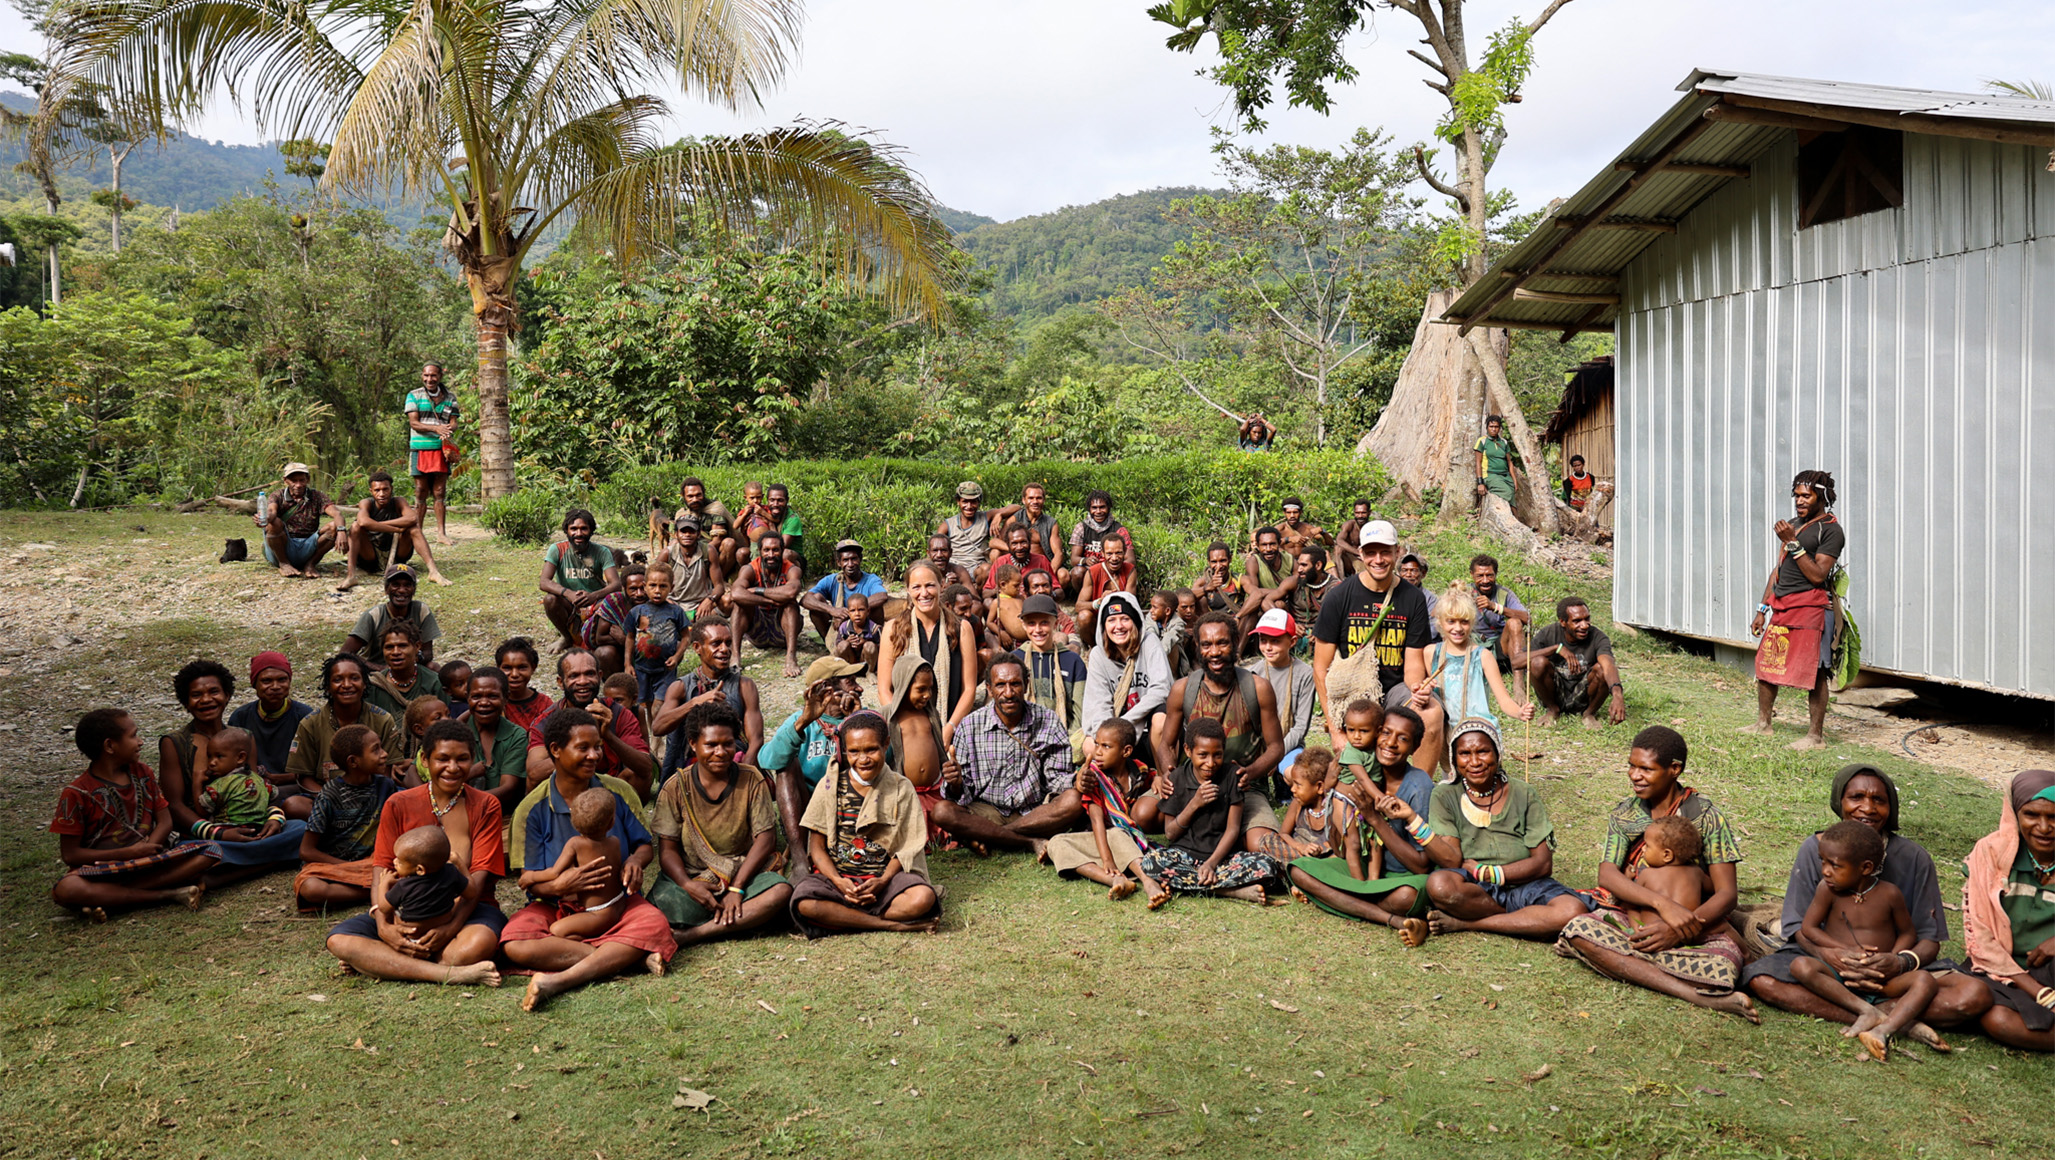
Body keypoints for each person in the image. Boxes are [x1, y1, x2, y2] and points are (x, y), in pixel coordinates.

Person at [1743, 764, 1991, 1034]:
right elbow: (1798, 926)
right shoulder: (1816, 849)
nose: (1868, 808)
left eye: (1879, 800)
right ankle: (1893, 1018)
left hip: (1891, 974)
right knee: (1763, 981)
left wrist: (1898, 962)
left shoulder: (1915, 858)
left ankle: (1881, 1012)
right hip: (1828, 969)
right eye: (1856, 797)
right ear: (1840, 802)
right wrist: (1832, 955)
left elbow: (1927, 939)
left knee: (1973, 996)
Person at [1554, 726, 1757, 1023]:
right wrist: (1663, 906)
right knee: (1580, 932)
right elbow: (1608, 875)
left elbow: (1726, 893)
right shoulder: (1625, 813)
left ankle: (1642, 966)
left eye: (1646, 769)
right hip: (1640, 916)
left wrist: (1679, 929)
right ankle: (1692, 993)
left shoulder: (1706, 817)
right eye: (1631, 766)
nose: (1635, 776)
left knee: (1723, 966)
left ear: (1674, 769)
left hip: (1696, 921)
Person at [506, 707, 674, 1010]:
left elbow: (644, 846)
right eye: (583, 748)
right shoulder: (532, 809)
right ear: (555, 750)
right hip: (555, 907)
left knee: (655, 925)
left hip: (615, 903)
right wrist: (559, 886)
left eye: (597, 746)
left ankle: (560, 979)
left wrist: (635, 862)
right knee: (515, 943)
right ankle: (626, 956)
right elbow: (530, 882)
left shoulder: (617, 792)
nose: (595, 755)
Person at [322, 718, 506, 987]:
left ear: (473, 759)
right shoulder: (399, 803)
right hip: (405, 914)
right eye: (442, 759)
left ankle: (384, 963)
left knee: (477, 944)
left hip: (468, 911)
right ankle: (446, 973)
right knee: (338, 940)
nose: (452, 768)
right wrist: (384, 926)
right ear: (424, 759)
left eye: (462, 759)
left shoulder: (486, 805)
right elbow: (381, 870)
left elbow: (477, 880)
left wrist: (449, 929)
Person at [1403, 718, 1590, 940]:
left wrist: (1488, 872)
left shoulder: (1523, 793)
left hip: (1527, 883)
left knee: (1572, 911)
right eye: (1464, 754)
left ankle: (1468, 923)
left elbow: (1543, 864)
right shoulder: (1445, 795)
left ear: (1497, 753)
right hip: (1476, 888)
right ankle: (1529, 919)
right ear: (1454, 759)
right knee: (1440, 886)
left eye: (1483, 751)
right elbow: (1452, 860)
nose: (1474, 762)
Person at [646, 701, 793, 944]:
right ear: (693, 744)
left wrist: (736, 889)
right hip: (694, 878)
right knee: (659, 909)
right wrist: (687, 884)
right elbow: (668, 849)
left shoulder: (751, 779)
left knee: (780, 892)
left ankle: (694, 935)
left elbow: (765, 840)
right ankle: (741, 920)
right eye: (711, 745)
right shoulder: (675, 786)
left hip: (743, 873)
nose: (720, 752)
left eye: (727, 744)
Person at [1786, 820, 1935, 1058]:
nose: (1825, 870)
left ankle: (1884, 1030)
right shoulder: (1827, 890)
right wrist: (1843, 951)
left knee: (1925, 981)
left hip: (1881, 979)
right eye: (1822, 861)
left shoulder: (1889, 894)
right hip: (1841, 973)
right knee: (1800, 966)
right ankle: (1866, 1011)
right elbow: (1809, 928)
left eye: (1835, 865)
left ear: (1865, 868)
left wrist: (1893, 960)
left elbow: (1908, 932)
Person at [1291, 701, 1435, 945]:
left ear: (1414, 747)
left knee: (1407, 897)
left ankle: (1350, 901)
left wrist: (1374, 818)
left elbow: (1421, 865)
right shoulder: (1355, 770)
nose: (1390, 743)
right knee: (1298, 870)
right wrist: (1331, 785)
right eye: (1386, 733)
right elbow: (1341, 847)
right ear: (1378, 732)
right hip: (1365, 872)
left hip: (1401, 878)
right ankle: (1387, 916)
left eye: (1402, 739)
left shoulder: (1418, 786)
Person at [50, 708, 215, 920]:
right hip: (104, 871)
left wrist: (148, 850)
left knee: (210, 850)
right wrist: (128, 853)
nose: (140, 742)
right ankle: (166, 895)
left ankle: (108, 899)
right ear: (110, 746)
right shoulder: (75, 794)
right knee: (67, 888)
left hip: (148, 862)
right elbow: (71, 855)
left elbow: (165, 820)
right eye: (133, 735)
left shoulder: (142, 772)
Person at [790, 711, 943, 937]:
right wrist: (838, 881)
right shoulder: (830, 785)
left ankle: (846, 918)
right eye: (854, 751)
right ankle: (890, 924)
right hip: (840, 881)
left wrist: (882, 881)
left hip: (884, 883)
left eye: (871, 749)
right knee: (805, 903)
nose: (863, 759)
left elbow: (906, 848)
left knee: (923, 897)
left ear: (886, 744)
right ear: (844, 751)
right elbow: (817, 847)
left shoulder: (901, 788)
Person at [1311, 520, 1439, 768]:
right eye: (1371, 552)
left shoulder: (1413, 598)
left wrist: (1417, 688)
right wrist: (1336, 733)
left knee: (1431, 713)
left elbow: (1413, 664)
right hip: (1353, 693)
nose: (1378, 560)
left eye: (1385, 552)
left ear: (1397, 552)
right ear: (1360, 553)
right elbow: (1320, 668)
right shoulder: (1339, 596)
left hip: (1394, 690)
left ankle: (1418, 796)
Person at [1157, 613, 1286, 861]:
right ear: (1198, 647)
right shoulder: (1183, 689)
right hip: (1193, 784)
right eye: (1207, 644)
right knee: (1143, 813)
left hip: (1243, 789)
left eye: (1222, 643)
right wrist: (1168, 775)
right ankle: (1216, 831)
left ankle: (1228, 833)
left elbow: (1276, 747)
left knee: (1262, 844)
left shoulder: (1257, 688)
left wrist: (1250, 772)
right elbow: (1166, 744)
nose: (1214, 652)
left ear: (1235, 642)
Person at [929, 657, 1081, 855]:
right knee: (942, 812)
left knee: (1073, 800)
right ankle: (1028, 842)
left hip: (1035, 813)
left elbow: (1057, 779)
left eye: (1015, 684)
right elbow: (961, 795)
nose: (1008, 693)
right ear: (989, 689)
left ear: (1026, 684)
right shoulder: (969, 726)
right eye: (1000, 685)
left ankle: (993, 837)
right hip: (987, 813)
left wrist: (1076, 781)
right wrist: (955, 782)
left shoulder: (1048, 721)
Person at [1745, 469, 1845, 750]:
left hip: (1812, 609)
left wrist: (1792, 541)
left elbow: (1817, 576)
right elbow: (1778, 571)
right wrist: (1762, 608)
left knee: (1816, 672)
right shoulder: (1793, 524)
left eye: (1806, 496)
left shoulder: (1831, 530)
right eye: (1796, 495)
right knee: (1766, 665)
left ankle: (1815, 736)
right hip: (1782, 607)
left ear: (1821, 497)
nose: (1799, 501)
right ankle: (1763, 724)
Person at [1136, 718, 1282, 903]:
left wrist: (1211, 864)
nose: (1211, 763)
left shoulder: (1232, 776)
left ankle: (1192, 884)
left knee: (1266, 865)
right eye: (1203, 755)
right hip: (1184, 856)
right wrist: (1195, 803)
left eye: (1218, 755)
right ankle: (1230, 891)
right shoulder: (1176, 778)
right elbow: (1170, 833)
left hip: (1222, 858)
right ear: (1188, 751)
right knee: (1151, 862)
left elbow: (1233, 829)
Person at [1964, 770, 2055, 1052]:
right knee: (1998, 1020)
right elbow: (1980, 939)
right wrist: (2040, 993)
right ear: (2015, 813)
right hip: (2000, 971)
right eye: (2031, 815)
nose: (2043, 827)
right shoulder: (1991, 852)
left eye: (2054, 817)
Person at [1043, 718, 1163, 903]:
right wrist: (1108, 861)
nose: (1097, 752)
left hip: (1124, 841)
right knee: (1056, 842)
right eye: (1097, 744)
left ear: (1126, 751)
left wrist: (1156, 779)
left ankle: (1148, 881)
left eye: (1106, 746)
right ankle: (1113, 879)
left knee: (1117, 833)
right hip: (1098, 840)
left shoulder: (1138, 770)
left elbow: (1152, 774)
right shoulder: (1093, 777)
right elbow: (1097, 821)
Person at [760, 656, 866, 857]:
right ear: (827, 690)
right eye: (851, 682)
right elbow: (768, 760)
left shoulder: (862, 715)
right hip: (807, 810)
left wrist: (856, 720)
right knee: (786, 765)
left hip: (850, 806)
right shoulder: (802, 721)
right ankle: (800, 856)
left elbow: (884, 759)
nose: (859, 688)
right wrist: (803, 722)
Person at [523, 647, 656, 799]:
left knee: (635, 773)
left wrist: (607, 736)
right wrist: (577, 746)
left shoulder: (618, 713)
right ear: (561, 682)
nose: (583, 681)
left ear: (600, 676)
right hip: (566, 794)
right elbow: (534, 775)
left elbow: (646, 769)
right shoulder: (546, 721)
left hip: (611, 791)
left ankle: (620, 818)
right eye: (574, 676)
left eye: (589, 674)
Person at [292, 723, 400, 910]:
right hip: (336, 867)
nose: (384, 754)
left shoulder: (386, 787)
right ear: (353, 762)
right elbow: (306, 851)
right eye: (376, 750)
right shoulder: (330, 795)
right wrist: (348, 867)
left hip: (372, 862)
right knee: (311, 889)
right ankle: (376, 890)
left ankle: (380, 886)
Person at [877, 562, 980, 745]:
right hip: (905, 730)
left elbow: (969, 689)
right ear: (908, 590)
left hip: (951, 728)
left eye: (930, 585)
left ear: (941, 586)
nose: (924, 593)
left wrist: (949, 729)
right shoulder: (893, 629)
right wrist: (905, 726)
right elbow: (884, 689)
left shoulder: (961, 628)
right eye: (916, 587)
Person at [653, 617, 763, 780]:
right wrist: (694, 703)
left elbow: (756, 740)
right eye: (716, 643)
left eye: (728, 642)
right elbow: (658, 727)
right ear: (697, 647)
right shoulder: (680, 687)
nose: (724, 649)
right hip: (692, 768)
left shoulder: (744, 685)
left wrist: (743, 775)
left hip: (734, 763)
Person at [285, 653, 405, 796]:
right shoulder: (310, 723)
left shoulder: (382, 720)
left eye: (354, 678)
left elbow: (386, 772)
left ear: (365, 683)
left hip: (371, 797)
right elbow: (304, 778)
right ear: (328, 687)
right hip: (327, 799)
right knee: (294, 805)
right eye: (338, 679)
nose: (347, 685)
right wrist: (333, 801)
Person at [1423, 584, 1533, 730]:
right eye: (1451, 621)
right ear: (1441, 623)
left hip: (1476, 730)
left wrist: (1520, 712)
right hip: (1441, 730)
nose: (1458, 628)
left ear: (1472, 622)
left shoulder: (1483, 656)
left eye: (1464, 622)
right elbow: (1423, 692)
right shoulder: (1431, 653)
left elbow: (1504, 700)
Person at [530, 788, 631, 940]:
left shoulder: (575, 844)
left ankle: (594, 944)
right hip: (619, 903)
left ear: (574, 824)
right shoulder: (615, 842)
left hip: (599, 913)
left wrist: (530, 877)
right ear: (611, 823)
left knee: (556, 930)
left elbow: (554, 873)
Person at [1080, 592, 1171, 754]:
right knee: (1089, 745)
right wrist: (1109, 734)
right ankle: (1115, 778)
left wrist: (1124, 723)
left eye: (1125, 619)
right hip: (1115, 731)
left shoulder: (1149, 643)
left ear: (1135, 622)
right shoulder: (1098, 655)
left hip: (1146, 728)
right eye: (1111, 620)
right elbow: (1098, 704)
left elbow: (1161, 689)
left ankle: (1163, 775)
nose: (1119, 626)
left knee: (1161, 720)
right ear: (1104, 626)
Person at [226, 651, 314, 814]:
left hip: (295, 786)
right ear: (254, 684)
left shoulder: (305, 717)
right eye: (266, 681)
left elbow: (314, 768)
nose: (275, 687)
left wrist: (276, 779)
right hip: (251, 786)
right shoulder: (241, 717)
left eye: (282, 680)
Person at [883, 654, 957, 843]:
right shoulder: (888, 716)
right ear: (903, 686)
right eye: (921, 689)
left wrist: (948, 769)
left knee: (951, 819)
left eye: (930, 688)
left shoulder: (930, 714)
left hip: (934, 790)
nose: (927, 695)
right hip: (904, 793)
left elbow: (940, 750)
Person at [1521, 598, 1626, 728]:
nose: (1585, 625)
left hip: (1584, 695)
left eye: (1587, 619)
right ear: (1563, 622)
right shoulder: (1549, 633)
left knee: (1601, 669)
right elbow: (1517, 661)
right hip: (1555, 692)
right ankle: (1552, 710)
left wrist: (1617, 694)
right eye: (1577, 621)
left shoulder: (1598, 637)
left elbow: (1608, 665)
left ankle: (1589, 714)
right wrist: (1556, 649)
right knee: (1537, 662)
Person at [339, 470, 449, 590]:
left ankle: (433, 571)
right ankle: (351, 576)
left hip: (397, 553)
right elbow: (363, 522)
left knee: (414, 529)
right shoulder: (366, 503)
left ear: (391, 488)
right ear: (371, 491)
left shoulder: (398, 502)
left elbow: (412, 518)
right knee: (355, 527)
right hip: (371, 556)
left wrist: (376, 524)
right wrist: (396, 529)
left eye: (385, 489)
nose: (381, 494)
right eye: (377, 490)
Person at [539, 509, 624, 654]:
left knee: (611, 601)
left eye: (583, 528)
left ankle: (593, 638)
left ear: (591, 530)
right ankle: (566, 637)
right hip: (569, 602)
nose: (578, 533)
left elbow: (616, 584)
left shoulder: (602, 552)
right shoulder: (557, 550)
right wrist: (568, 593)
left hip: (594, 603)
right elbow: (544, 582)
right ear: (566, 530)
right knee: (550, 599)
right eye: (573, 529)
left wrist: (594, 596)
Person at [729, 530, 805, 679]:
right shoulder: (749, 569)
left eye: (775, 550)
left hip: (782, 632)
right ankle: (735, 656)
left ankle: (790, 658)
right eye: (767, 550)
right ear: (759, 551)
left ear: (782, 551)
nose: (771, 555)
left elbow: (791, 592)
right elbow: (736, 593)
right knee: (739, 605)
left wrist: (757, 590)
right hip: (758, 631)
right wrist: (770, 600)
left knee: (790, 604)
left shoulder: (792, 569)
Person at [1242, 609, 1315, 765]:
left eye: (1275, 641)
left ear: (1293, 641)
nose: (1268, 647)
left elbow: (1301, 726)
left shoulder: (1305, 674)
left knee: (1297, 772)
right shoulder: (1252, 673)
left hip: (1288, 744)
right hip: (1255, 745)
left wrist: (1274, 755)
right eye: (1263, 640)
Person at [376, 825, 483, 929]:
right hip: (443, 925)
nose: (394, 861)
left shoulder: (403, 886)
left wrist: (383, 883)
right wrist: (460, 863)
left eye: (399, 861)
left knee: (384, 909)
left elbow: (384, 908)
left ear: (420, 870)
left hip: (411, 932)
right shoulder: (451, 872)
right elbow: (471, 893)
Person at [1012, 594, 1088, 738]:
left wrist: (1068, 741)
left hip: (1062, 736)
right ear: (1023, 625)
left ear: (1056, 623)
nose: (1038, 629)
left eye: (1044, 623)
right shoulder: (1014, 660)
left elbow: (1079, 711)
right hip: (1022, 737)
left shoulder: (1072, 661)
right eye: (1031, 623)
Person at [403, 361, 459, 546]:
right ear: (422, 376)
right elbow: (415, 423)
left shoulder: (450, 398)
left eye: (433, 375)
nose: (429, 379)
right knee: (420, 490)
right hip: (419, 448)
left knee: (439, 491)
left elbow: (454, 423)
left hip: (442, 450)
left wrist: (448, 429)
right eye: (426, 375)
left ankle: (441, 533)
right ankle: (416, 531)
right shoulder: (414, 395)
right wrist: (437, 429)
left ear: (440, 376)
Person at [344, 565, 443, 669]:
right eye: (395, 585)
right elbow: (346, 652)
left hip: (410, 669)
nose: (401, 590)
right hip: (377, 671)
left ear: (414, 590)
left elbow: (428, 652)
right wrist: (381, 669)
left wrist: (413, 659)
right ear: (386, 589)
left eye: (407, 585)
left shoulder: (421, 611)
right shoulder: (374, 615)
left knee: (433, 667)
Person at [460, 667, 532, 808]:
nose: (484, 703)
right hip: (456, 813)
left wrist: (468, 803)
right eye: (476, 697)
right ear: (467, 698)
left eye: (492, 696)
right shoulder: (456, 732)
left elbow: (508, 788)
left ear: (506, 698)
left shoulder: (516, 736)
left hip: (500, 814)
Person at [259, 461, 343, 579]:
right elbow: (272, 511)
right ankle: (284, 563)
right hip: (282, 547)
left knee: (334, 526)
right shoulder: (277, 495)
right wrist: (265, 518)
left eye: (301, 480)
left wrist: (342, 531)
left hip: (308, 546)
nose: (298, 485)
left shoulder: (317, 496)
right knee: (273, 524)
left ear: (307, 479)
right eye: (294, 481)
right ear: (286, 480)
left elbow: (336, 513)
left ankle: (310, 564)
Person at [628, 562, 690, 711]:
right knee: (644, 705)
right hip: (641, 668)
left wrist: (676, 657)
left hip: (665, 670)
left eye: (663, 586)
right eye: (652, 585)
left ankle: (657, 734)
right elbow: (629, 637)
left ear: (671, 588)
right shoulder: (636, 611)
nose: (657, 591)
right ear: (644, 586)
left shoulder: (676, 612)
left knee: (659, 705)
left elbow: (687, 637)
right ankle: (651, 731)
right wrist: (627, 664)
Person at [802, 540, 887, 644]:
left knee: (876, 607)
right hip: (839, 628)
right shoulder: (832, 580)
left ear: (860, 559)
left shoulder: (871, 579)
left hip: (864, 629)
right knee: (817, 599)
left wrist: (848, 613)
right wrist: (832, 610)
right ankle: (832, 644)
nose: (850, 564)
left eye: (854, 559)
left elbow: (882, 596)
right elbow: (805, 599)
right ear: (839, 562)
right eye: (845, 560)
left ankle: (874, 642)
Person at [1467, 555, 1528, 692]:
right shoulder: (1464, 592)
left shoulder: (1503, 594)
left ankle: (1518, 683)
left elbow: (1526, 618)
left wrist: (1495, 607)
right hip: (1472, 644)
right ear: (1471, 575)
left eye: (1490, 575)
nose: (1485, 580)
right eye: (1480, 576)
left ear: (1496, 574)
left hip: (1498, 645)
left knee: (1514, 623)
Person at [992, 483, 1068, 589]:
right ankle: (1000, 593)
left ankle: (1050, 599)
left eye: (1038, 498)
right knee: (995, 553)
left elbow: (1058, 554)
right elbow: (993, 542)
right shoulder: (1015, 518)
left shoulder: (1051, 523)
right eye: (1031, 498)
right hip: (1016, 564)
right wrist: (1015, 549)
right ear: (1024, 500)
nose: (1035, 502)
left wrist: (1047, 575)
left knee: (1063, 575)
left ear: (1044, 500)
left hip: (1041, 565)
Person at [365, 621, 445, 718]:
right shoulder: (374, 686)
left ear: (417, 646)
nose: (395, 652)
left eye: (402, 646)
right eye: (389, 647)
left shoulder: (433, 683)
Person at [582, 563, 648, 679]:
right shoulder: (614, 602)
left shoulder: (655, 603)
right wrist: (626, 641)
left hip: (644, 652)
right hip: (618, 653)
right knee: (604, 653)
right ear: (624, 588)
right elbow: (600, 638)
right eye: (633, 589)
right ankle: (616, 682)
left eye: (643, 588)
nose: (639, 594)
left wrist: (625, 639)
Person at [1073, 534, 1138, 645]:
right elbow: (1078, 606)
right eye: (1109, 553)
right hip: (1097, 621)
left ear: (1125, 552)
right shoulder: (1093, 572)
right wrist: (1098, 603)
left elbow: (1130, 603)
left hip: (1120, 619)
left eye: (1118, 553)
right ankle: (1094, 646)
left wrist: (1111, 599)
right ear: (1102, 553)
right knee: (1084, 616)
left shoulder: (1130, 571)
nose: (1114, 558)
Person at [1068, 491, 1132, 595]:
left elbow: (1130, 560)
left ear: (1109, 508)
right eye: (1094, 507)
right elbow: (1074, 559)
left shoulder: (1119, 529)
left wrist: (1111, 564)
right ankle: (1084, 599)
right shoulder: (1081, 528)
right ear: (1089, 509)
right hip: (1089, 571)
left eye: (1102, 507)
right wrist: (1085, 560)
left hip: (1112, 569)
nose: (1098, 511)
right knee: (1077, 572)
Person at [1274, 546, 1332, 659]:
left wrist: (1321, 630)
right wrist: (1289, 623)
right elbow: (1267, 600)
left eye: (1304, 565)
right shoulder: (1293, 581)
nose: (1299, 569)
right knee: (1278, 605)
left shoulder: (1334, 587)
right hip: (1295, 630)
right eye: (1299, 564)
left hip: (1321, 632)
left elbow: (1340, 616)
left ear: (1318, 565)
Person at [662, 517, 724, 620]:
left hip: (701, 604)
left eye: (692, 531)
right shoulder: (667, 553)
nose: (687, 535)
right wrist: (667, 601)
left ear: (699, 534)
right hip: (674, 603)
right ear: (676, 534)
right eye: (683, 531)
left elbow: (719, 586)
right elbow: (652, 584)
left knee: (727, 601)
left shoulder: (708, 551)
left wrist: (709, 600)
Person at [674, 477, 738, 575]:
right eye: (690, 496)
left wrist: (698, 553)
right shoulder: (682, 513)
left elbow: (717, 539)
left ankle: (719, 578)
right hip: (690, 548)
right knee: (673, 544)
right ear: (683, 496)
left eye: (698, 495)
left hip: (714, 551)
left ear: (703, 493)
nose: (695, 499)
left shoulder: (715, 509)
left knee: (729, 543)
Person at [938, 481, 996, 585]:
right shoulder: (948, 525)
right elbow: (936, 547)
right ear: (958, 501)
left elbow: (1015, 507)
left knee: (987, 569)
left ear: (979, 502)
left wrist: (998, 516)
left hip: (976, 567)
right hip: (955, 567)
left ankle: (979, 593)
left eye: (973, 502)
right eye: (965, 501)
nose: (969, 506)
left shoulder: (985, 517)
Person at [493, 638, 555, 731]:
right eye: (507, 668)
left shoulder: (544, 704)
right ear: (498, 668)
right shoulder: (494, 702)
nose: (514, 674)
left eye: (522, 667)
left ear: (533, 668)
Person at [1237, 527, 1289, 636]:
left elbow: (1296, 586)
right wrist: (1280, 591)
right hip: (1262, 602)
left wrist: (1281, 592)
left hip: (1285, 603)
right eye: (1264, 545)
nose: (1268, 549)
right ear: (1258, 546)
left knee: (1279, 604)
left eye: (1272, 544)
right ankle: (1239, 651)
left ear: (1279, 543)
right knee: (1254, 607)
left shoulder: (1289, 560)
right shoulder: (1254, 561)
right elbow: (1255, 592)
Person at [984, 524, 1055, 600]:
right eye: (1014, 543)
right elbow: (985, 593)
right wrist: (999, 590)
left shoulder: (1041, 560)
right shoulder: (1000, 562)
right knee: (988, 601)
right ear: (1008, 545)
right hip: (1008, 606)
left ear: (1029, 542)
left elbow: (1059, 591)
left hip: (1035, 605)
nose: (1019, 547)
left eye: (1023, 542)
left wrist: (1046, 593)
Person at [1473, 414, 1522, 505]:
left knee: (1513, 502)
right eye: (1491, 426)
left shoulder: (1503, 442)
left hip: (1505, 476)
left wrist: (1514, 480)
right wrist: (1480, 483)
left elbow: (1509, 461)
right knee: (1507, 493)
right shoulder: (1482, 441)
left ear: (1499, 428)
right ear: (1487, 427)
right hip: (1491, 475)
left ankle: (1515, 519)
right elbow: (1478, 463)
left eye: (1496, 427)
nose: (1494, 429)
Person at [832, 593, 883, 672]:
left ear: (868, 611)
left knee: (869, 645)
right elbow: (838, 645)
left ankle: (870, 672)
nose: (857, 614)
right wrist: (847, 641)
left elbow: (883, 648)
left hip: (867, 661)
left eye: (861, 610)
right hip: (851, 661)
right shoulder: (844, 627)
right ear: (848, 613)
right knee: (843, 645)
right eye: (852, 610)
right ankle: (846, 670)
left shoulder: (874, 628)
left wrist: (865, 642)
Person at [1189, 541, 1243, 617]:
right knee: (1201, 600)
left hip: (1234, 621)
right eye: (1214, 562)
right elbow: (1186, 598)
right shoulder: (1202, 582)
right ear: (1208, 562)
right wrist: (1207, 588)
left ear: (1230, 559)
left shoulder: (1239, 580)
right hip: (1210, 622)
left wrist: (1239, 615)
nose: (1219, 566)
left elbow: (1256, 594)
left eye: (1222, 561)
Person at [762, 484, 806, 571]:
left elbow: (780, 546)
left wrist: (770, 524)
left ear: (787, 500)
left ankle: (791, 580)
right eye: (772, 500)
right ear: (767, 500)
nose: (775, 504)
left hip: (791, 557)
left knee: (785, 554)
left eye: (780, 500)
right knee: (743, 553)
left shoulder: (793, 519)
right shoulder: (763, 511)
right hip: (769, 554)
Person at [1333, 500, 1373, 579]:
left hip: (1364, 559)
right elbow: (1339, 540)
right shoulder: (1349, 525)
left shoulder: (1372, 527)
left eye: (1363, 513)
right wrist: (1357, 552)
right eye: (1357, 513)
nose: (1360, 516)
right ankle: (1340, 580)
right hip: (1349, 558)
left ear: (1369, 512)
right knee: (1337, 549)